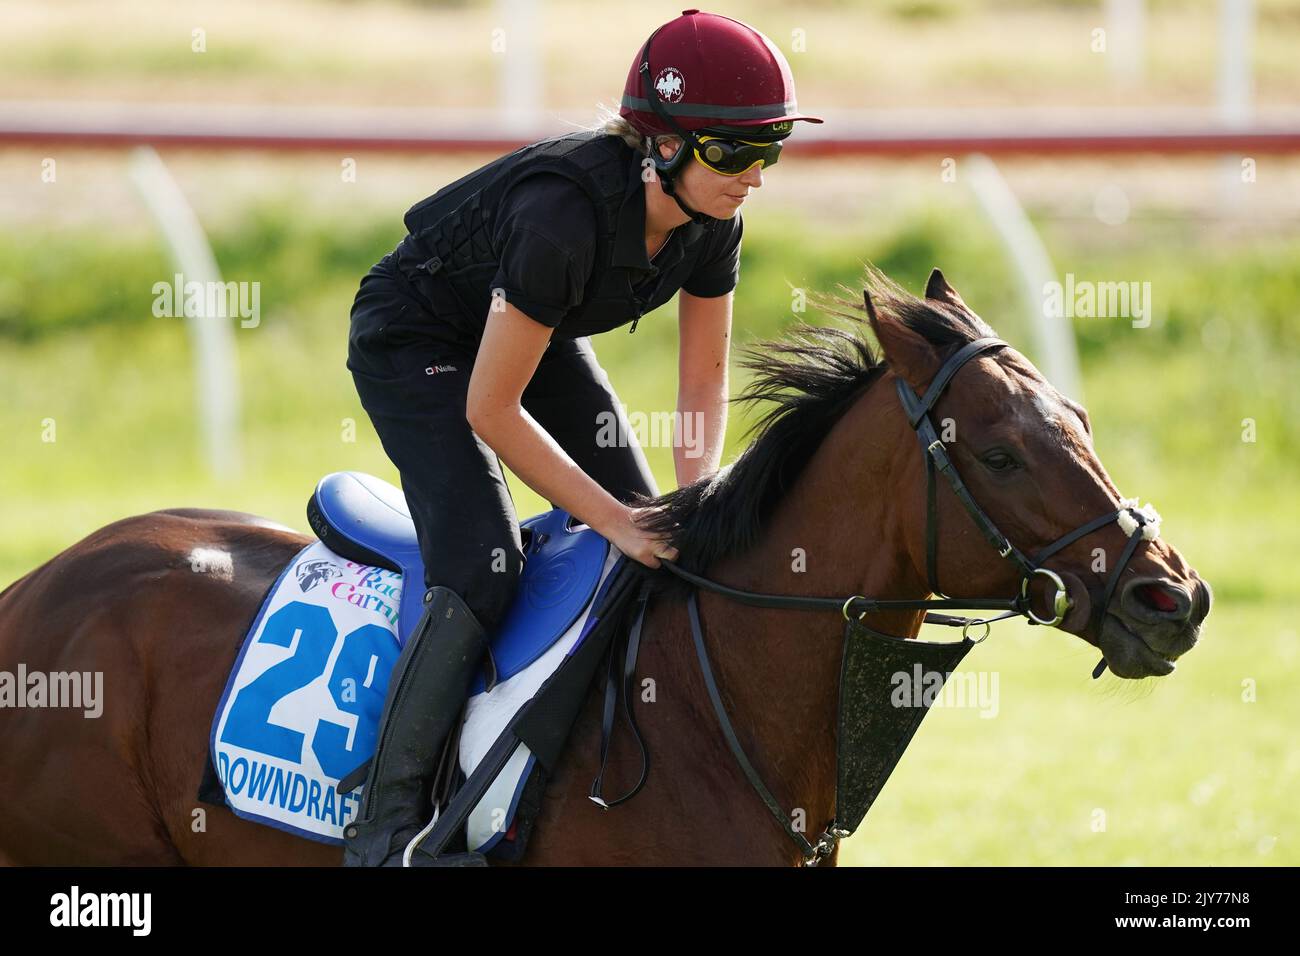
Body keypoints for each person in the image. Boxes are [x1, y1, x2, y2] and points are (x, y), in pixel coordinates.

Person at [342, 8, 822, 866]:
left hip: (535, 328)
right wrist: (613, 520)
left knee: (655, 531)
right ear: (661, 145)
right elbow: (491, 411)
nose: (753, 176)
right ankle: (385, 819)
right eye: (732, 152)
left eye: (769, 151)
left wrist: (687, 505)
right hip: (413, 340)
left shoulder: (714, 222)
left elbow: (702, 380)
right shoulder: (561, 216)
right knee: (487, 564)